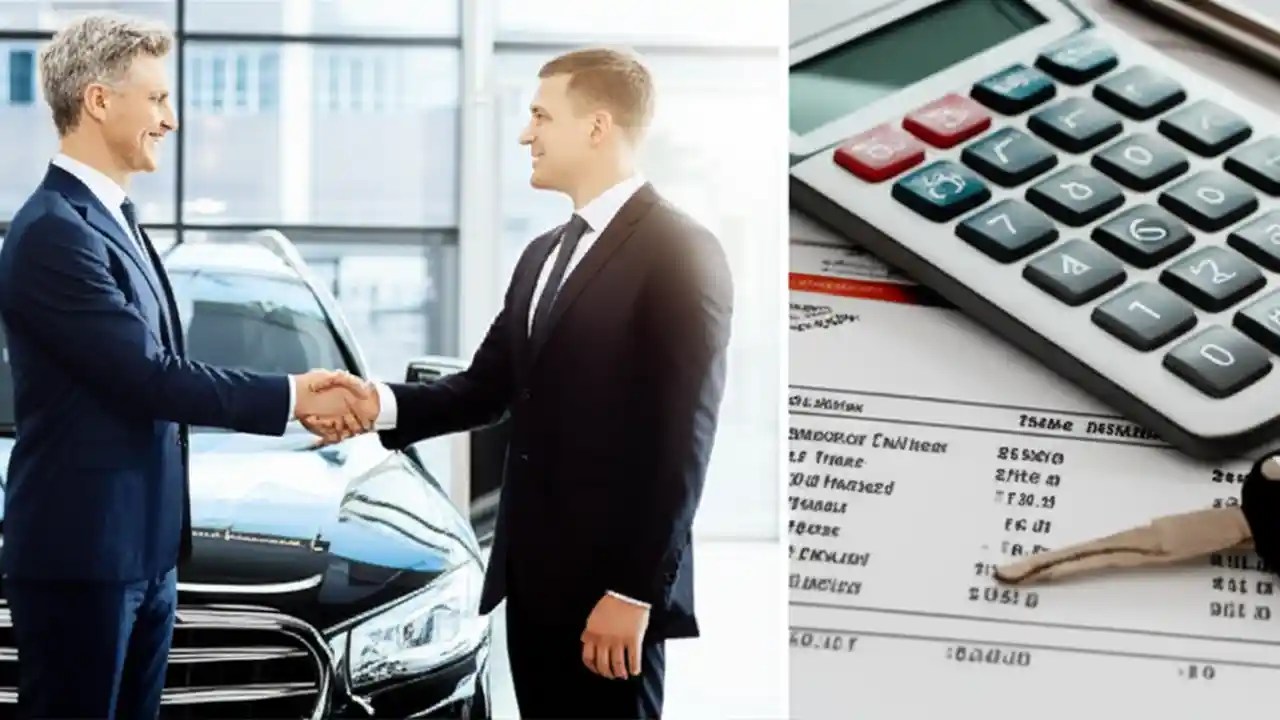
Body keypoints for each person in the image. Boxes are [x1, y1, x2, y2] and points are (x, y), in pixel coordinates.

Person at [306, 47, 734, 718]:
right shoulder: (541, 256)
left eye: (540, 116)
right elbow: (484, 388)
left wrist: (635, 592)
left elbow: (682, 440)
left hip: (611, 598)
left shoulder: (681, 251)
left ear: (597, 126)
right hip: (531, 586)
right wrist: (377, 403)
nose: (524, 133)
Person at [0, 14, 368, 720]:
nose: (171, 120)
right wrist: (295, 394)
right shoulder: (54, 232)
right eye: (158, 100)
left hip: (144, 554)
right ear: (100, 101)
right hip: (85, 555)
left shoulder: (111, 220)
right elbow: (151, 376)